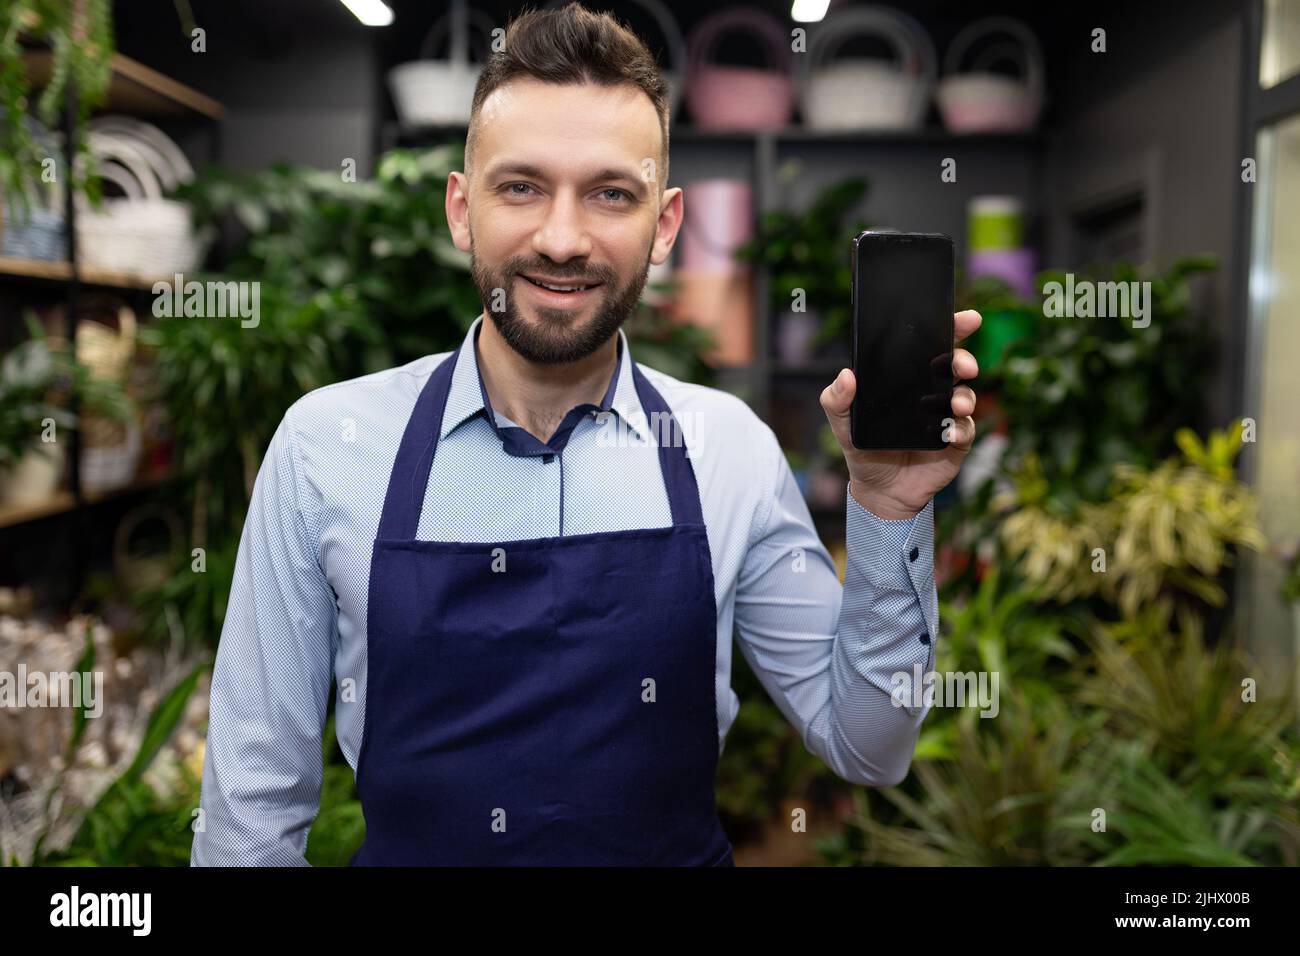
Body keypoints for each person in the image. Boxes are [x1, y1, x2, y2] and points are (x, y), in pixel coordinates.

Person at [191, 2, 981, 867]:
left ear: (666, 225)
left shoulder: (729, 450)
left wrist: (885, 511)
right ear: (462, 209)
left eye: (611, 193)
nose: (561, 239)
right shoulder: (325, 449)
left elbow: (870, 746)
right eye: (520, 186)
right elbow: (248, 824)